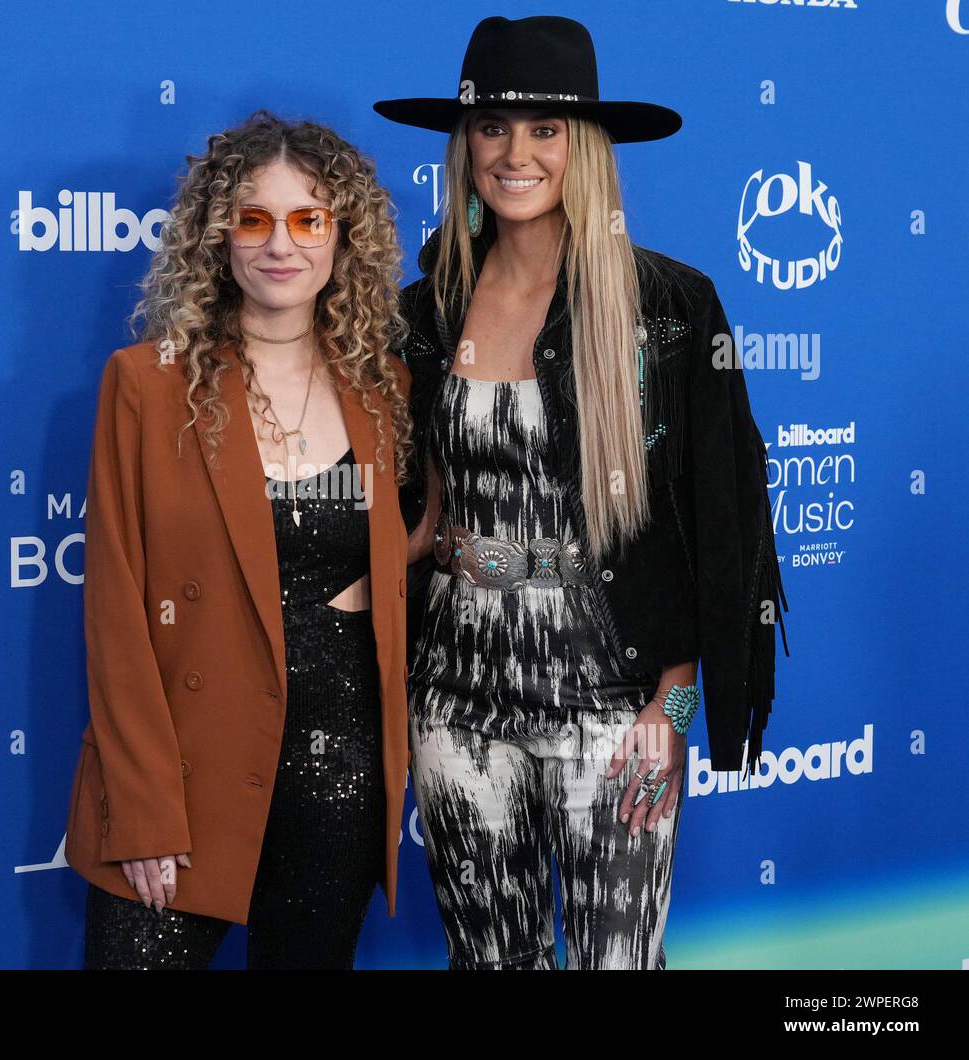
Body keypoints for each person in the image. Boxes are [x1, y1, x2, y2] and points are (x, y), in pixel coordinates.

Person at [374, 15, 788, 968]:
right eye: (493, 128)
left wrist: (676, 711)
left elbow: (723, 523)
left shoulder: (671, 310)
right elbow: (400, 501)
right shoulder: (418, 311)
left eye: (545, 130)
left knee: (617, 962)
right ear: (463, 144)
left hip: (618, 705)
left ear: (585, 149)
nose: (514, 154)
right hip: (455, 703)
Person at [63, 110, 414, 969]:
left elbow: (413, 550)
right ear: (217, 237)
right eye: (254, 219)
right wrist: (142, 810)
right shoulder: (146, 386)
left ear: (343, 237)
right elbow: (116, 609)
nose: (280, 245)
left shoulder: (386, 390)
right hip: (184, 773)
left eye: (308, 219)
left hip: (340, 773)